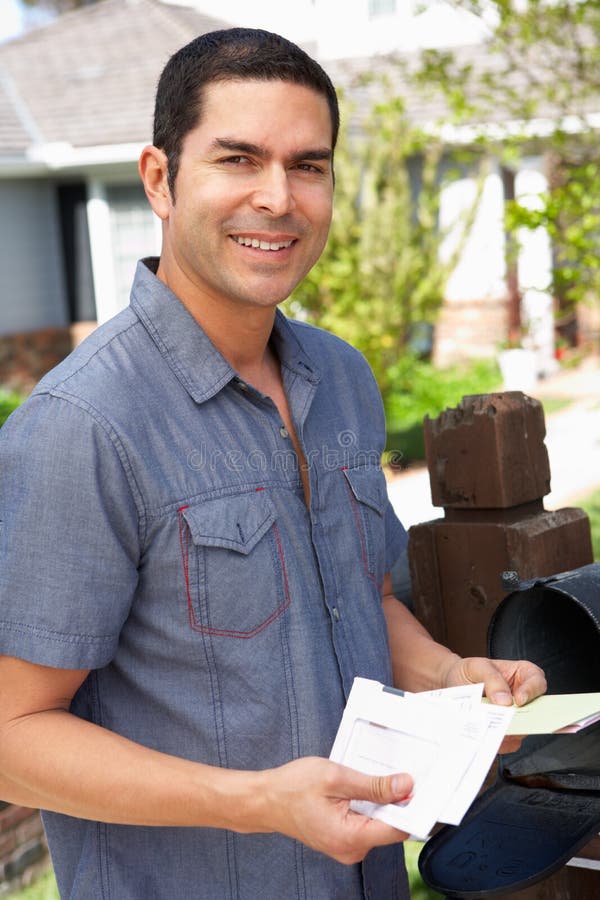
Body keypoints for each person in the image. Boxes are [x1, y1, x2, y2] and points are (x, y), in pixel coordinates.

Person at [0, 28, 545, 900]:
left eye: (308, 166)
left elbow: (359, 594)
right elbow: (12, 739)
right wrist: (256, 803)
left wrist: (450, 679)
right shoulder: (82, 428)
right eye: (238, 158)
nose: (277, 197)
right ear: (159, 179)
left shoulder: (340, 376)